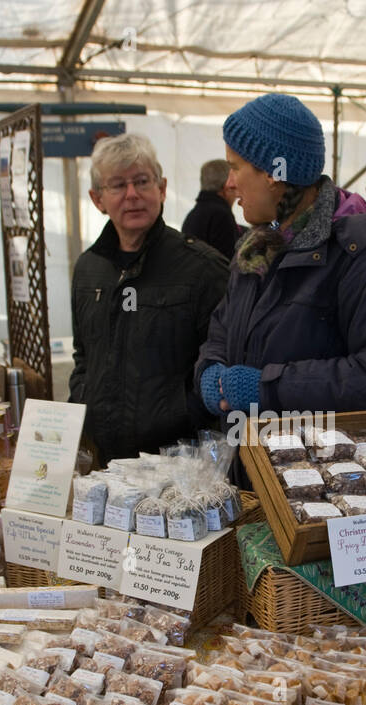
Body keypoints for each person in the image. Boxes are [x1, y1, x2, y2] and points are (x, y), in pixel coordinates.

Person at [196, 93, 366, 421]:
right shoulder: (254, 250)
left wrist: (266, 389)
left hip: (321, 466)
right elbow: (222, 328)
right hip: (253, 463)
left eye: (235, 167)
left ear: (274, 175)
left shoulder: (365, 254)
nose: (229, 184)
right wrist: (210, 369)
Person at [69, 133, 229, 464]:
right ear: (98, 199)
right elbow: (84, 356)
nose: (132, 195)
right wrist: (83, 407)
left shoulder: (202, 268)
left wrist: (185, 417)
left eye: (142, 181)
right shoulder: (88, 268)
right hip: (104, 462)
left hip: (178, 462)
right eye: (117, 185)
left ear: (162, 188)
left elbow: (222, 362)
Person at [181, 158, 242, 259]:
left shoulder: (194, 213)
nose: (236, 190)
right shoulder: (221, 215)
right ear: (226, 186)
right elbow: (228, 262)